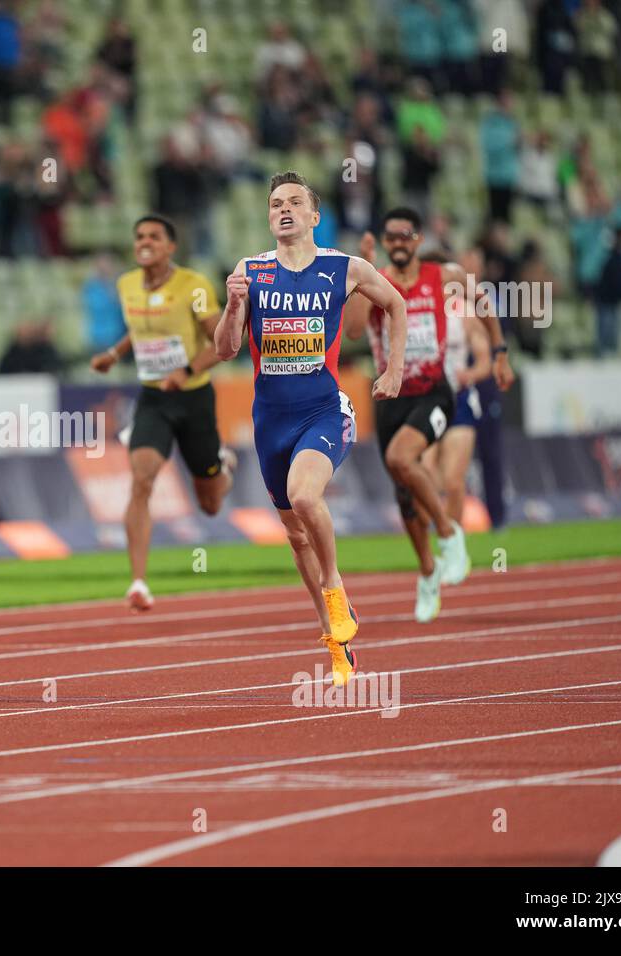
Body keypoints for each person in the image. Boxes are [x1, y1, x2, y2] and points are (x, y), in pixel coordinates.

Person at [213, 171, 408, 688]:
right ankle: (335, 641)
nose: (284, 209)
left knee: (304, 496)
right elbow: (225, 350)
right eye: (276, 202)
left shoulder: (345, 268)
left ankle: (335, 586)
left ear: (314, 216)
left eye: (295, 202)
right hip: (269, 422)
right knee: (295, 533)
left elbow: (396, 303)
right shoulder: (250, 271)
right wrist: (232, 306)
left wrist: (393, 369)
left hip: (323, 411)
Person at [346, 209, 508, 623]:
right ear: (385, 242)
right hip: (390, 396)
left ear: (417, 239)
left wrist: (500, 351)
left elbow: (482, 302)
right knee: (404, 493)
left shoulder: (443, 275)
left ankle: (450, 533)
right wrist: (362, 275)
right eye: (391, 237)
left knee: (401, 458)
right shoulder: (375, 279)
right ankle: (427, 571)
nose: (398, 243)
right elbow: (353, 331)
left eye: (405, 235)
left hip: (434, 392)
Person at [89, 215, 235, 612]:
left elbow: (223, 342)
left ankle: (222, 466)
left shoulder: (194, 286)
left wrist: (185, 371)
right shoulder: (126, 284)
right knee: (141, 480)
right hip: (153, 398)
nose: (145, 242)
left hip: (194, 398)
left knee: (210, 504)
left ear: (171, 246)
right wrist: (113, 354)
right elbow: (141, 330)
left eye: (154, 236)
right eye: (139, 236)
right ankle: (138, 582)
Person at [418, 248, 495, 529]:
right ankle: (429, 535)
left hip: (458, 400)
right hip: (424, 401)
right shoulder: (414, 311)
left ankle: (453, 541)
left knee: (453, 479)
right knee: (425, 472)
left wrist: (469, 374)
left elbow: (485, 362)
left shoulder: (464, 314)